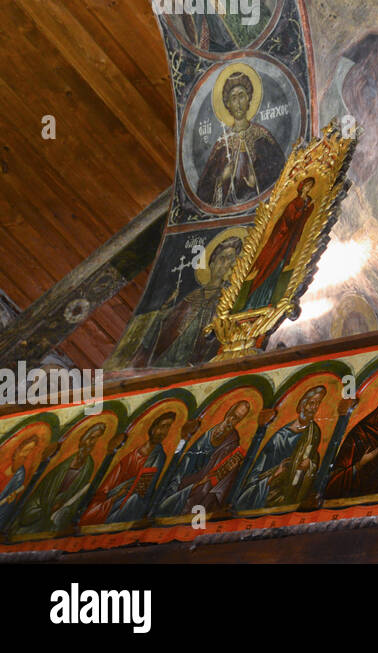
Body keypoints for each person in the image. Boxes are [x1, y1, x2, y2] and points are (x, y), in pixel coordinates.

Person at [129, 235, 243, 369]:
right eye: (223, 259)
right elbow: (163, 330)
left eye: (231, 260)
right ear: (212, 262)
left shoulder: (227, 299)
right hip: (164, 364)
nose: (226, 265)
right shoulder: (192, 297)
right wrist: (163, 312)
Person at [196, 69, 286, 206]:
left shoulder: (262, 136)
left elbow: (281, 170)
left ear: (249, 99)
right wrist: (222, 178)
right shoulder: (222, 143)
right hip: (230, 209)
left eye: (241, 96)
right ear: (228, 105)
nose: (238, 103)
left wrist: (256, 180)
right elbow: (202, 191)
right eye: (233, 98)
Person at [234, 386, 327, 511]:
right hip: (271, 491)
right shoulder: (280, 438)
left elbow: (314, 457)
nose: (314, 408)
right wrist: (275, 474)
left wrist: (309, 465)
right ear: (303, 405)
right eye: (311, 403)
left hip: (294, 491)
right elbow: (259, 472)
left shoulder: (313, 431)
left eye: (318, 404)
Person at [155, 400, 250, 517]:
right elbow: (188, 459)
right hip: (188, 479)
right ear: (228, 412)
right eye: (233, 415)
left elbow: (223, 479)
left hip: (205, 487)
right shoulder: (209, 432)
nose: (232, 420)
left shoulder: (232, 441)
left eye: (237, 419)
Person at [81, 411, 176, 526]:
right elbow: (113, 479)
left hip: (134, 499)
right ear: (153, 427)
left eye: (168, 428)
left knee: (133, 500)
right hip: (115, 495)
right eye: (162, 426)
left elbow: (147, 488)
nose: (164, 432)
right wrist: (114, 494)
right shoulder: (132, 452)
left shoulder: (159, 455)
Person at [11, 422, 107, 535]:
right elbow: (44, 488)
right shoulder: (64, 462)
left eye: (96, 439)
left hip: (57, 514)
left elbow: (76, 498)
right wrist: (49, 506)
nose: (92, 443)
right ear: (82, 439)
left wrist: (61, 506)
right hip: (39, 505)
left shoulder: (88, 466)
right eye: (91, 438)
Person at [239, 177, 316, 311]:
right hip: (279, 242)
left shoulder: (306, 202)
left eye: (311, 186)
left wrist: (308, 210)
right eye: (307, 186)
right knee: (268, 268)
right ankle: (251, 303)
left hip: (288, 243)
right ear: (302, 187)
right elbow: (285, 223)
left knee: (277, 270)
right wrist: (302, 212)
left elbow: (302, 222)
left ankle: (266, 301)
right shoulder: (294, 204)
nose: (308, 188)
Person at [0, 436, 41, 531]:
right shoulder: (3, 464)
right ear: (18, 450)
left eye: (31, 450)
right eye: (26, 450)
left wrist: (10, 501)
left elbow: (9, 500)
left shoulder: (20, 473)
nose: (27, 455)